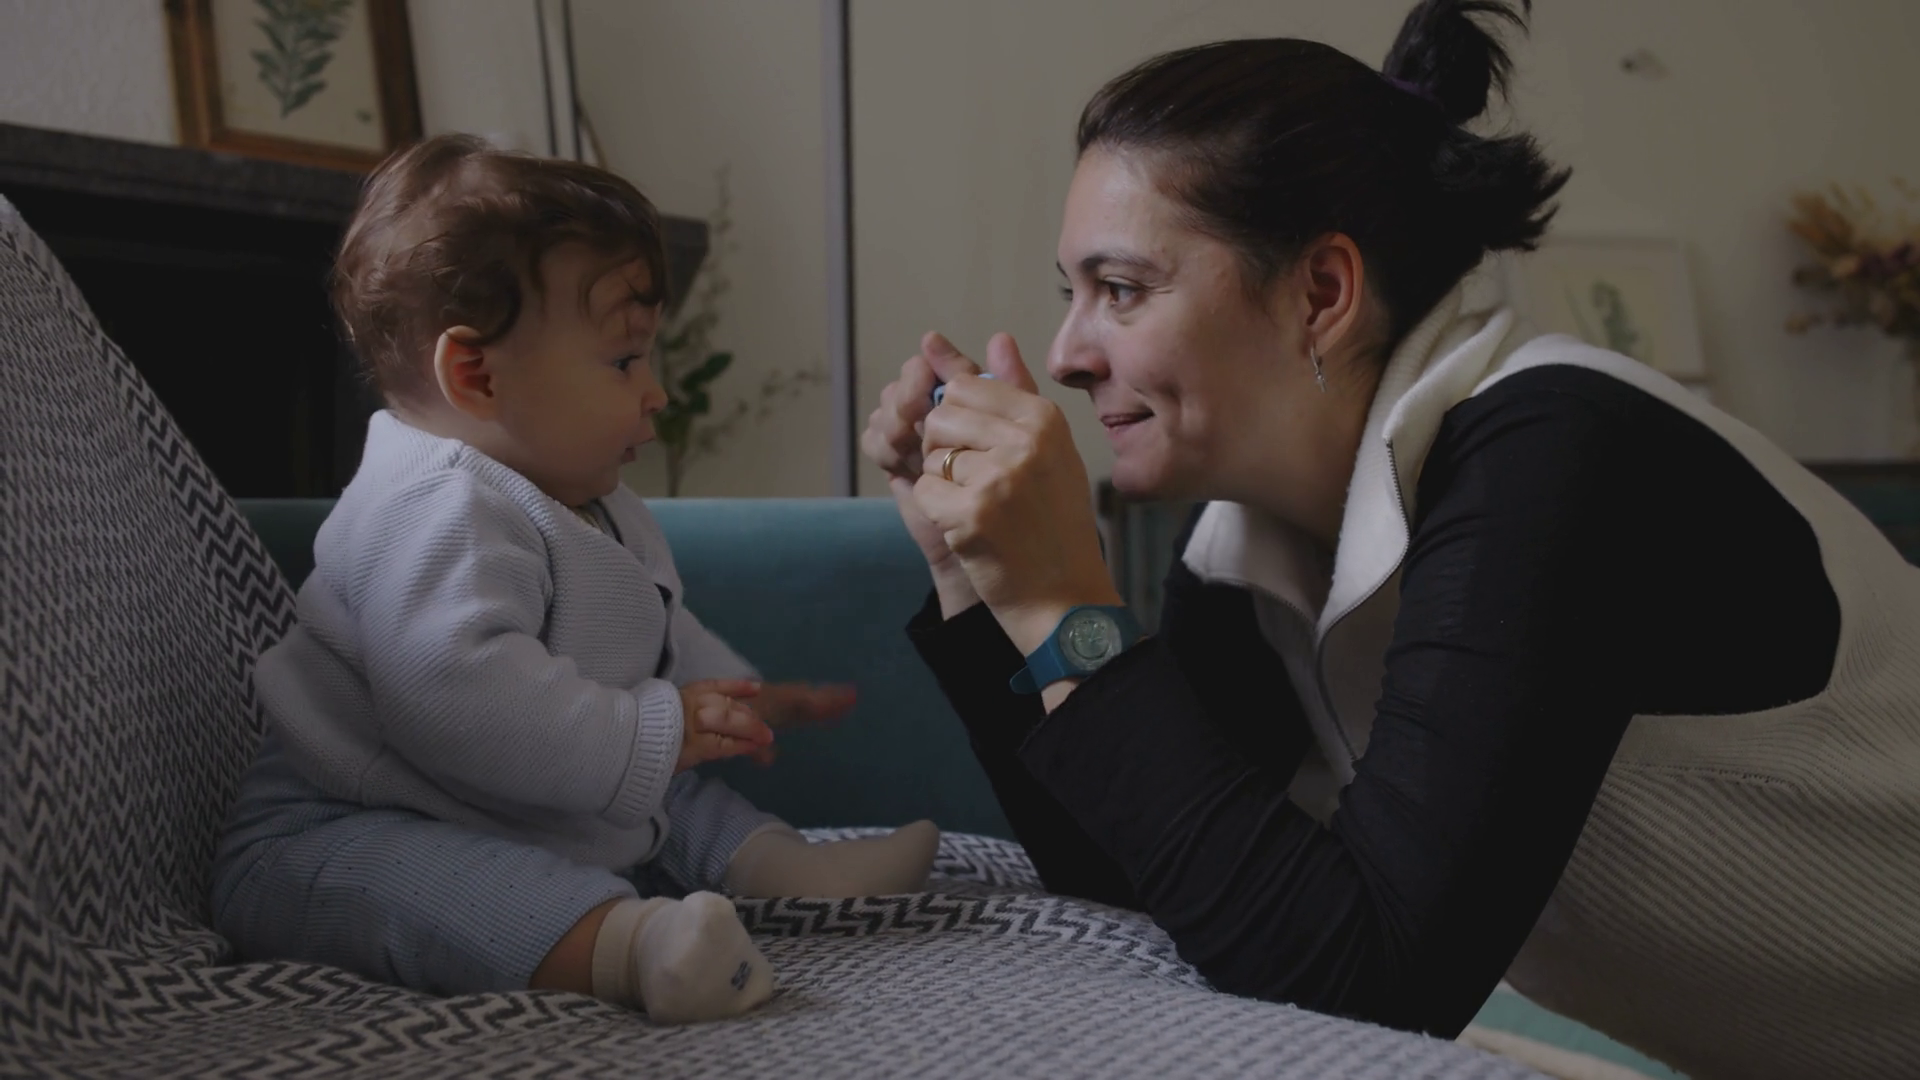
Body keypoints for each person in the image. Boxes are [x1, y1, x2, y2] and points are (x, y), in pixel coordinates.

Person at [861, 2, 1920, 1077]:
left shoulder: (1554, 460)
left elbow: (1366, 983)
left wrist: (1065, 604)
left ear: (1321, 292)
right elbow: (1138, 884)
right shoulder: (1251, 540)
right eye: (1070, 294)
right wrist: (976, 580)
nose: (1068, 351)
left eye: (1120, 290)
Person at [212, 135, 939, 1025]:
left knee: (675, 788)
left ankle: (796, 872)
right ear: (476, 373)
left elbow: (656, 630)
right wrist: (654, 730)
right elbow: (452, 691)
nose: (656, 392)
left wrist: (728, 696)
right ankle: (638, 950)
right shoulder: (435, 504)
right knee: (456, 883)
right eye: (625, 361)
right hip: (347, 830)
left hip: (510, 795)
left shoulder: (589, 499)